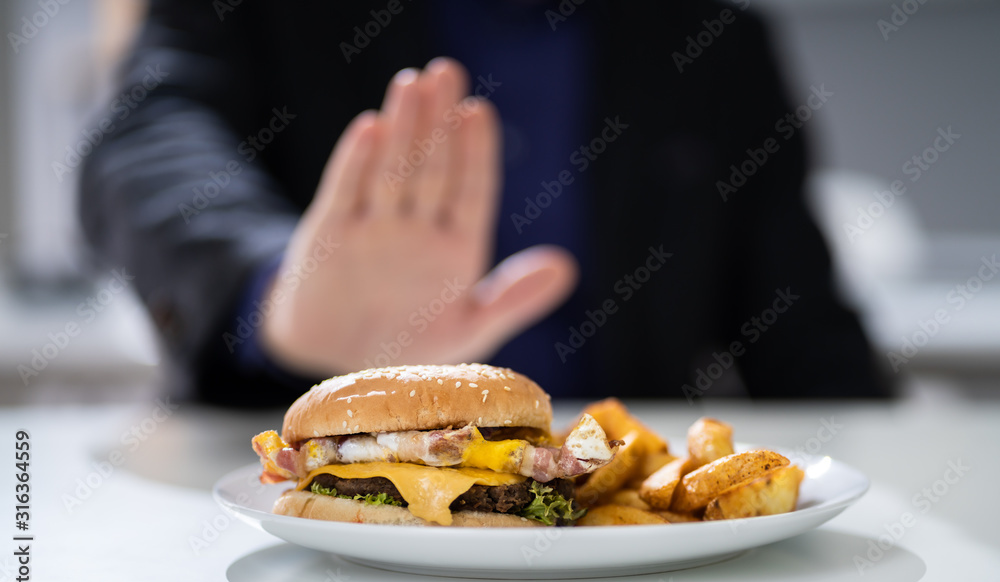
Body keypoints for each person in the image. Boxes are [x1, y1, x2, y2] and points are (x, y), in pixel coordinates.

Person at [80, 0, 891, 406]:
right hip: (306, 557)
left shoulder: (714, 41)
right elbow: (144, 143)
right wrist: (277, 292)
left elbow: (807, 342)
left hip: (627, 567)